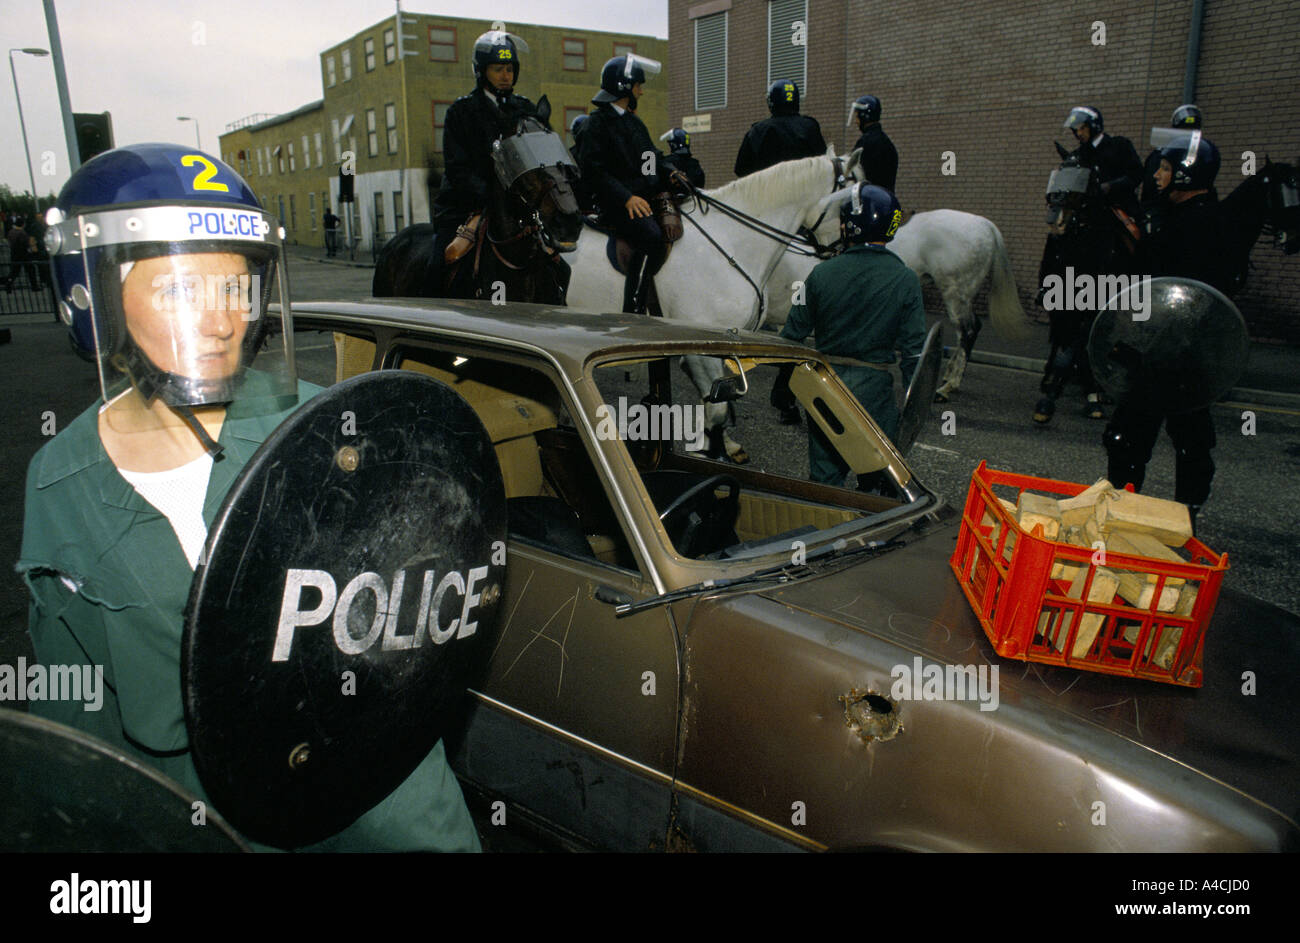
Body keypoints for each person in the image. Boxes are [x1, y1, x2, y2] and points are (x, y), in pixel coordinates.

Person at [19, 142, 480, 852]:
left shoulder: (337, 435)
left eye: (236, 287)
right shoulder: (60, 480)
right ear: (93, 297)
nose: (220, 320)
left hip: (354, 817)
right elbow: (81, 724)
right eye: (178, 289)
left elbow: (392, 682)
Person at [1104, 134, 1225, 526]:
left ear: (1186, 175)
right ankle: (1171, 516)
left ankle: (1153, 518)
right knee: (1175, 440)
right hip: (1169, 353)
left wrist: (1141, 243)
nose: (1157, 175)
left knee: (1145, 437)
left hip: (1171, 354)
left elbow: (1167, 286)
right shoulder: (1179, 215)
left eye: (1165, 168)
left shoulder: (1200, 222)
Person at [780, 183, 926, 486]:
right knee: (878, 481)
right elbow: (915, 353)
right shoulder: (905, 279)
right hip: (875, 393)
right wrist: (915, 406)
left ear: (850, 227)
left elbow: (791, 337)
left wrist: (784, 386)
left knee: (825, 481)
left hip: (825, 388)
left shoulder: (821, 274)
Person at [431, 28, 543, 292]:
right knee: (437, 267)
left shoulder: (526, 109)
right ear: (482, 72)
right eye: (498, 69)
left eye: (510, 69)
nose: (506, 76)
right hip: (466, 205)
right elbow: (457, 169)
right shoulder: (461, 111)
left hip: (517, 206)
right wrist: (493, 194)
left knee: (559, 264)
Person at [575, 53, 679, 313]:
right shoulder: (595, 124)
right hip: (616, 204)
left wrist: (672, 172)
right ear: (625, 88)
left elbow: (650, 159)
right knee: (653, 236)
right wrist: (626, 198)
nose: (641, 92)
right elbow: (593, 172)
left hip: (641, 199)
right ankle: (634, 303)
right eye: (638, 86)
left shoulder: (634, 122)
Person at [1062, 105, 1144, 220]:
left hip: (1121, 213)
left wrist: (1110, 186)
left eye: (1083, 128)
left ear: (1094, 125)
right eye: (1075, 130)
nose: (1079, 133)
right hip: (1092, 216)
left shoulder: (1119, 145)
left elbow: (1137, 174)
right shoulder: (1079, 155)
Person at [734, 80, 827, 178]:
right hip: (808, 190)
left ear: (771, 102)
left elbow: (741, 170)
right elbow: (824, 160)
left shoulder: (758, 131)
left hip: (770, 190)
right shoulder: (810, 126)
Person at [847, 95, 898, 193]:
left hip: (870, 203)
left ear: (864, 116)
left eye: (857, 116)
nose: (856, 121)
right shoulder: (887, 143)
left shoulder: (865, 143)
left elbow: (852, 171)